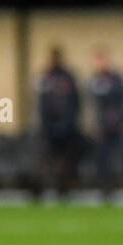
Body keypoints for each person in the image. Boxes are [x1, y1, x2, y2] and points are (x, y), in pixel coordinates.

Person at [36, 46, 81, 195]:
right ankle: (47, 188)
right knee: (48, 160)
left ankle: (65, 189)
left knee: (66, 161)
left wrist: (70, 123)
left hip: (67, 128)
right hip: (49, 129)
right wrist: (45, 125)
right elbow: (41, 104)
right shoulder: (45, 77)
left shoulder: (69, 78)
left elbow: (76, 102)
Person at [87, 47, 123, 193]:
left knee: (122, 156)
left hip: (118, 126)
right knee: (102, 158)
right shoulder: (93, 81)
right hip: (102, 127)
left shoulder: (117, 79)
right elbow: (91, 106)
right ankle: (104, 188)